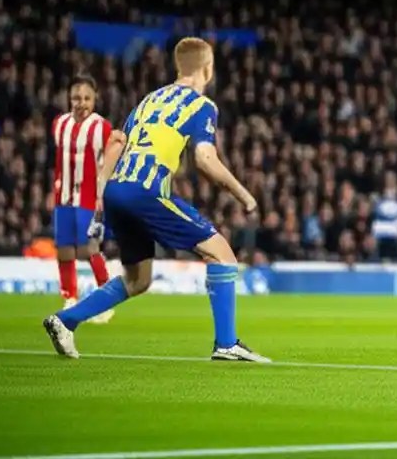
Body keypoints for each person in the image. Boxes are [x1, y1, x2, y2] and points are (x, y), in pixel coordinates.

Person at [42, 38, 268, 362]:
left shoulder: (149, 100)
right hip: (145, 190)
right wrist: (244, 195)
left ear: (178, 67)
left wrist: (102, 192)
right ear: (208, 69)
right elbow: (205, 159)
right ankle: (227, 343)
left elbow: (117, 142)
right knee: (222, 254)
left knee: (138, 280)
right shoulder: (201, 105)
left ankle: (65, 320)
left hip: (117, 188)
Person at [50, 75, 115, 323]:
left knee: (90, 248)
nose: (81, 103)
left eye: (87, 98)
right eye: (76, 97)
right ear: (69, 98)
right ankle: (70, 297)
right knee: (64, 250)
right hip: (63, 197)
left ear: (95, 99)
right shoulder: (59, 124)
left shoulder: (103, 127)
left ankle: (106, 300)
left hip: (90, 198)